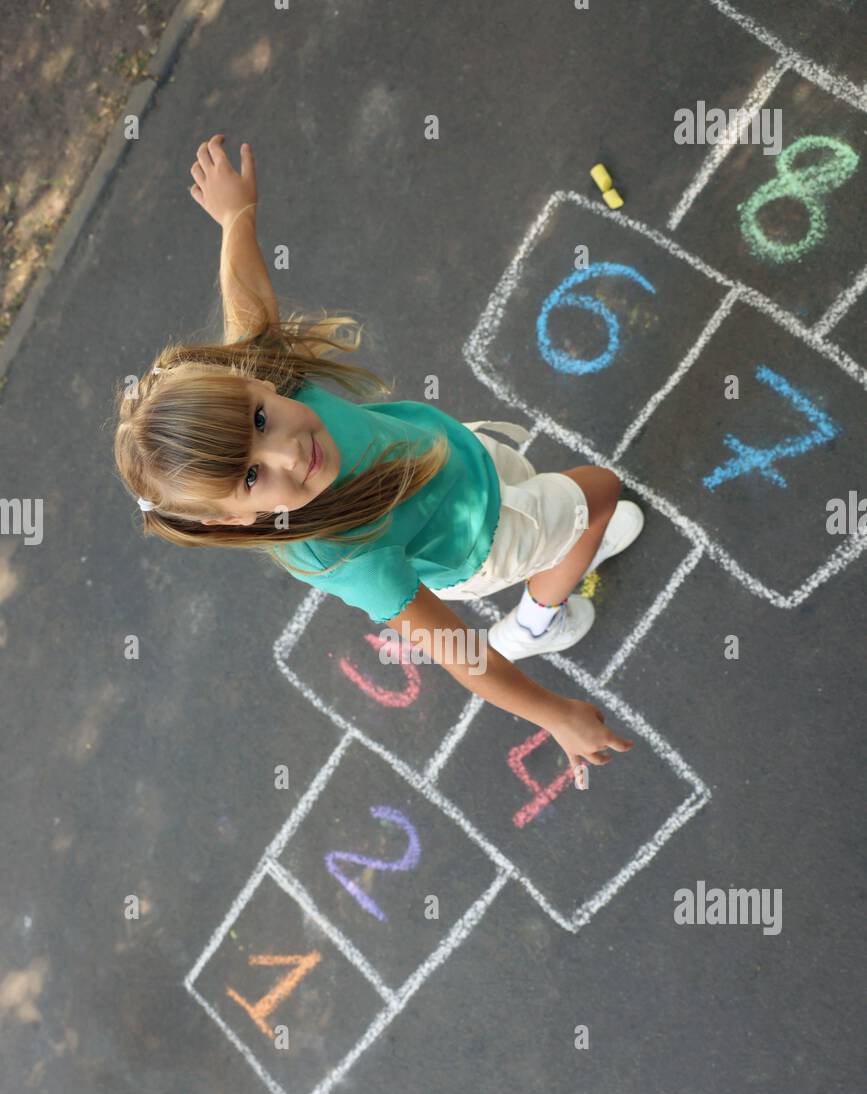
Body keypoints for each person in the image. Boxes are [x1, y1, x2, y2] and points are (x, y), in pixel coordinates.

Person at [113, 135, 643, 780]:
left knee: (531, 480)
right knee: (601, 491)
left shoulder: (267, 376)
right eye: (252, 476)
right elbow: (454, 650)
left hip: (455, 463)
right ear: (233, 521)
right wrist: (553, 714)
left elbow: (246, 301)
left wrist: (236, 218)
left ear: (253, 382)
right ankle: (537, 620)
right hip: (484, 540)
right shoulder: (344, 555)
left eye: (259, 418)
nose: (287, 449)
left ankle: (561, 551)